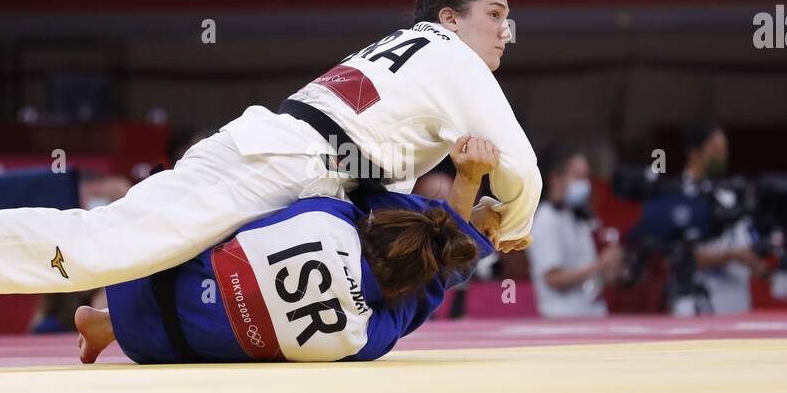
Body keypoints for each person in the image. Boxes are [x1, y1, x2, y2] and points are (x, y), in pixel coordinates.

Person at [0, 0, 541, 307]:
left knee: (171, 252)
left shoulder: (405, 51)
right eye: (494, 15)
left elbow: (409, 203)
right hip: (283, 166)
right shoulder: (450, 55)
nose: (504, 32)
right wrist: (515, 224)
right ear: (450, 18)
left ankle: (109, 324)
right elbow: (524, 172)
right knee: (100, 243)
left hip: (274, 153)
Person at [76, 135, 500, 363]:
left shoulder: (328, 218)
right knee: (240, 314)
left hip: (139, 267)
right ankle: (107, 324)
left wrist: (467, 181)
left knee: (252, 213)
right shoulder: (364, 338)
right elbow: (431, 280)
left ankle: (104, 319)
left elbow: (404, 219)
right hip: (153, 347)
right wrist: (474, 229)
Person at [676, 123, 766, 315]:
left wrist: (757, 263)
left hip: (737, 303)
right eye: (716, 149)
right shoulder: (678, 195)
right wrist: (731, 256)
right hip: (699, 305)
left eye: (725, 149)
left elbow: (745, 243)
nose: (723, 155)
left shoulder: (728, 196)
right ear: (695, 153)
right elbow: (676, 257)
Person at [527, 144, 622, 318]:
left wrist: (611, 266)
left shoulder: (578, 216)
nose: (585, 184)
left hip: (592, 313)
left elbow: (591, 269)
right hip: (563, 318)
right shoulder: (545, 219)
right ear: (556, 179)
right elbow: (553, 278)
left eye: (586, 177)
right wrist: (600, 265)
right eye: (578, 177)